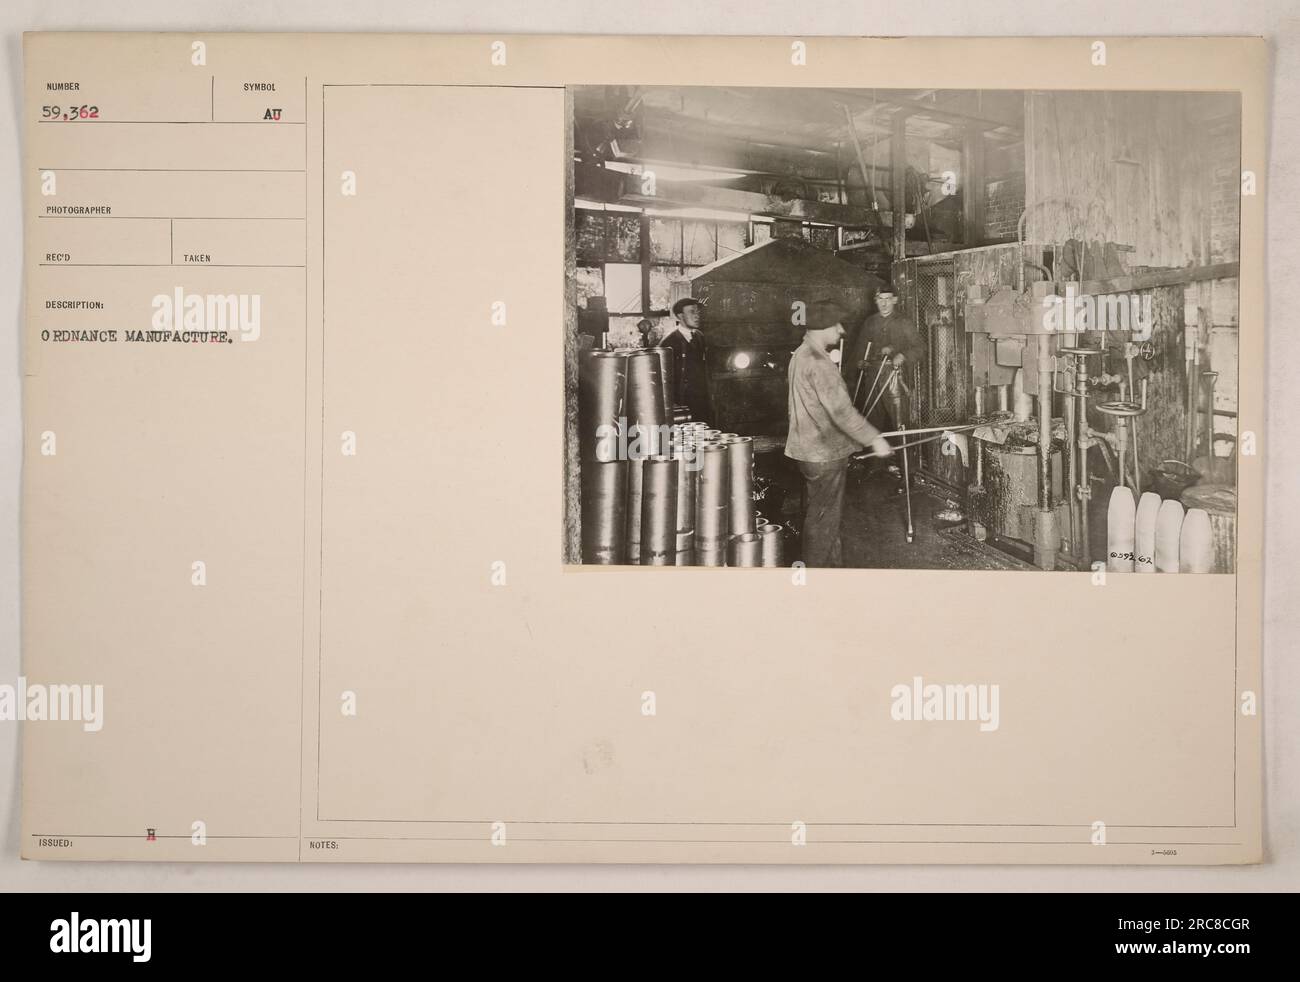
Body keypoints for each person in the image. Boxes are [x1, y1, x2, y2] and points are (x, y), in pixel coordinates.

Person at [786, 299, 894, 567]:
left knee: (825, 517)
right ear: (824, 326)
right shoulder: (819, 363)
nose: (842, 330)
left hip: (808, 452)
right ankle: (814, 583)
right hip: (823, 454)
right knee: (822, 523)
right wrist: (874, 438)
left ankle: (835, 571)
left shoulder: (800, 354)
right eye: (837, 324)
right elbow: (842, 412)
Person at [659, 297, 712, 422]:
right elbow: (664, 378)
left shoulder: (699, 336)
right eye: (692, 312)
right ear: (680, 316)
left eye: (698, 312)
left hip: (701, 400)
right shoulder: (669, 343)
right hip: (681, 404)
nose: (697, 315)